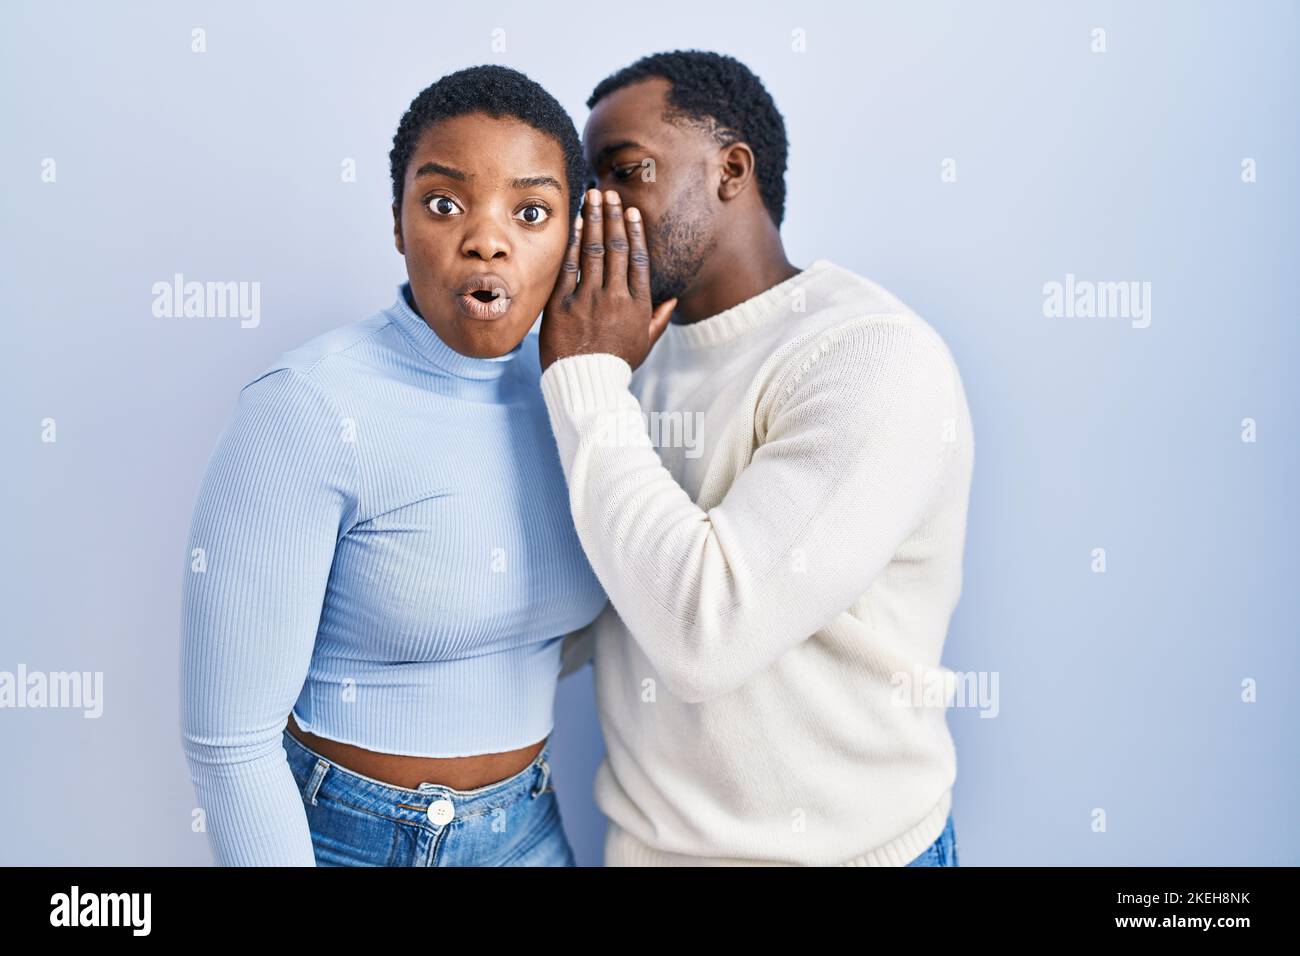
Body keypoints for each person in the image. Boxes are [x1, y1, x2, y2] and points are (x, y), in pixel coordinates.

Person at [545, 50, 973, 866]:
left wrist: (584, 381)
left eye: (625, 171)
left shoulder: (870, 357)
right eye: (586, 186)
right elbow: (598, 598)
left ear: (731, 169)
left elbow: (708, 637)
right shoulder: (631, 354)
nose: (596, 209)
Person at [179, 65, 605, 866]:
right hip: (351, 841)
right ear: (398, 223)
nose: (487, 237)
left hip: (532, 831)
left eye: (532, 210)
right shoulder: (304, 407)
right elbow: (229, 747)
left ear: (571, 233)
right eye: (444, 204)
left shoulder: (581, 399)